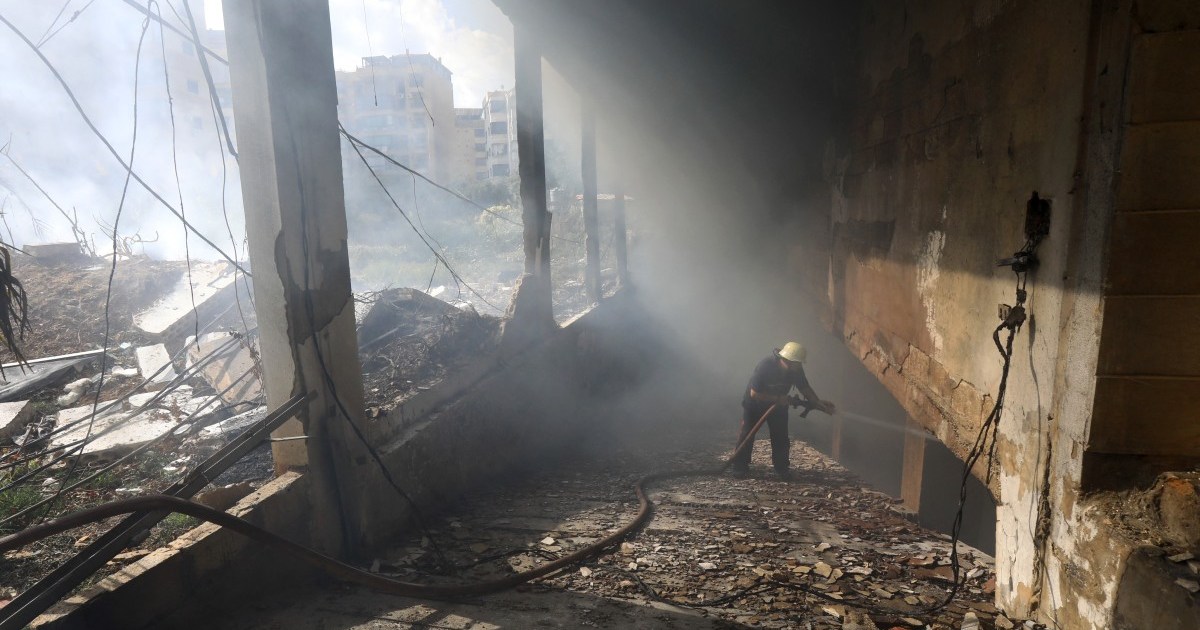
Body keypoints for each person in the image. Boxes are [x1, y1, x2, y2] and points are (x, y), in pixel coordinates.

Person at [731, 341, 835, 478]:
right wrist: (778, 398)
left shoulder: (796, 370)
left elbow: (805, 389)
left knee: (781, 436)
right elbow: (754, 394)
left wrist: (818, 403)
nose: (799, 366)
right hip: (755, 404)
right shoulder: (766, 366)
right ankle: (739, 466)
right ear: (785, 359)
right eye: (797, 363)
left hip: (778, 406)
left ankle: (782, 468)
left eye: (800, 364)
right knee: (747, 433)